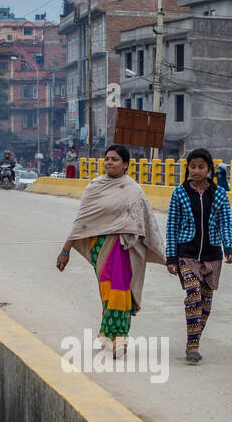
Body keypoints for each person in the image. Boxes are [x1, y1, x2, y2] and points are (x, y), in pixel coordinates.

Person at [56, 145, 166, 357]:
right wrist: (65, 250)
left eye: (114, 159)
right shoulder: (94, 188)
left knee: (120, 290)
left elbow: (146, 222)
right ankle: (108, 334)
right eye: (107, 158)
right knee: (108, 293)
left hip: (125, 247)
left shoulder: (133, 189)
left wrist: (164, 254)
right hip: (100, 247)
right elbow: (81, 222)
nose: (109, 162)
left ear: (125, 164)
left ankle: (118, 339)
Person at [165, 148, 232, 364]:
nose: (196, 170)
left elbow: (225, 223)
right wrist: (171, 257)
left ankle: (194, 338)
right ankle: (192, 345)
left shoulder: (220, 194)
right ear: (188, 169)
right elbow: (172, 226)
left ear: (209, 169)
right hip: (187, 253)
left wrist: (228, 247)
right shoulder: (179, 193)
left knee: (205, 305)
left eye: (201, 167)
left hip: (212, 254)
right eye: (192, 166)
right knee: (193, 295)